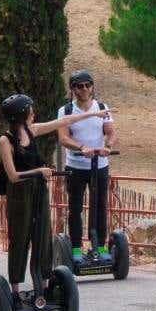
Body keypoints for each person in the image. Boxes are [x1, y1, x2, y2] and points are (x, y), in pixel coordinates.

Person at [0, 93, 113, 307]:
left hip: (38, 190)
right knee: (20, 239)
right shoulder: (5, 140)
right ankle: (14, 291)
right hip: (19, 194)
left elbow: (63, 121)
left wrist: (94, 114)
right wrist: (38, 171)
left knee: (43, 237)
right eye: (30, 110)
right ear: (21, 114)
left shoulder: (32, 131)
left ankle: (42, 288)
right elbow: (12, 176)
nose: (33, 113)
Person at [57, 70, 117, 265]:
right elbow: (63, 138)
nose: (84, 89)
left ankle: (99, 247)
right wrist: (82, 147)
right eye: (79, 86)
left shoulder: (102, 108)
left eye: (87, 85)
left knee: (100, 207)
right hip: (76, 166)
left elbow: (111, 132)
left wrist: (108, 146)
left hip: (99, 166)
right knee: (75, 208)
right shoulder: (66, 111)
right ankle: (76, 248)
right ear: (73, 89)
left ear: (92, 87)